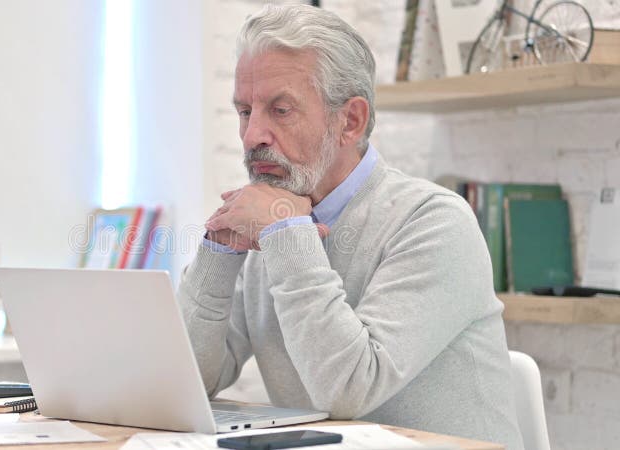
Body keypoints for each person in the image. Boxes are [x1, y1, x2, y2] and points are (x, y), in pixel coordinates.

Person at [176, 4, 524, 450]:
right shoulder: (271, 218)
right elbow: (190, 382)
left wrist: (286, 234)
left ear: (350, 121)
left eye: (280, 110)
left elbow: (350, 390)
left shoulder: (434, 221)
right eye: (245, 111)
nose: (251, 135)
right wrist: (219, 247)